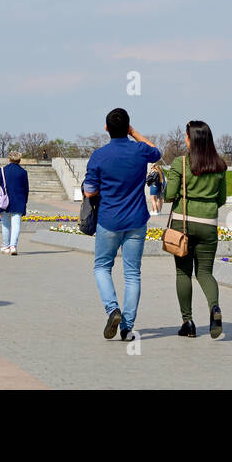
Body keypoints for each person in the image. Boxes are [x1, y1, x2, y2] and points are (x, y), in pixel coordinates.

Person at [82, 108, 161, 341]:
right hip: (136, 220)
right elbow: (157, 153)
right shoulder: (139, 150)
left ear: (106, 129)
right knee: (133, 274)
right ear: (128, 127)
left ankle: (112, 309)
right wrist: (134, 133)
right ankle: (127, 327)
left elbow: (90, 191)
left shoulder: (99, 155)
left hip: (108, 220)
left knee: (102, 267)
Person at [164, 121, 226, 339]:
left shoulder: (180, 163)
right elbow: (221, 199)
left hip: (184, 224)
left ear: (192, 139)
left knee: (183, 272)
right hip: (208, 225)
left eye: (186, 136)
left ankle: (187, 322)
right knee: (205, 273)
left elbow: (169, 195)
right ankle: (214, 308)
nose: (184, 139)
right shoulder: (219, 166)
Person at [0, 150, 30, 255]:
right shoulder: (23, 172)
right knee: (16, 224)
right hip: (19, 201)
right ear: (20, 160)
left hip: (4, 201)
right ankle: (13, 246)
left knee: (5, 224)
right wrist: (25, 202)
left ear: (9, 159)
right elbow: (26, 189)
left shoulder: (2, 170)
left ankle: (6, 246)